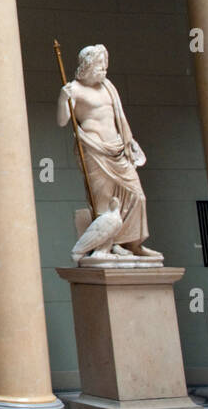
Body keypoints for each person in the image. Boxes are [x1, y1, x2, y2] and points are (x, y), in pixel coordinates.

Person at [57, 44, 159, 257]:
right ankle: (106, 245)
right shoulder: (74, 88)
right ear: (88, 65)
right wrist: (62, 99)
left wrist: (129, 142)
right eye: (100, 65)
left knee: (137, 196)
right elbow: (62, 121)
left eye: (105, 65)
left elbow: (119, 117)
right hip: (94, 148)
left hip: (117, 148)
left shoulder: (108, 86)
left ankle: (131, 243)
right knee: (103, 198)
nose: (104, 69)